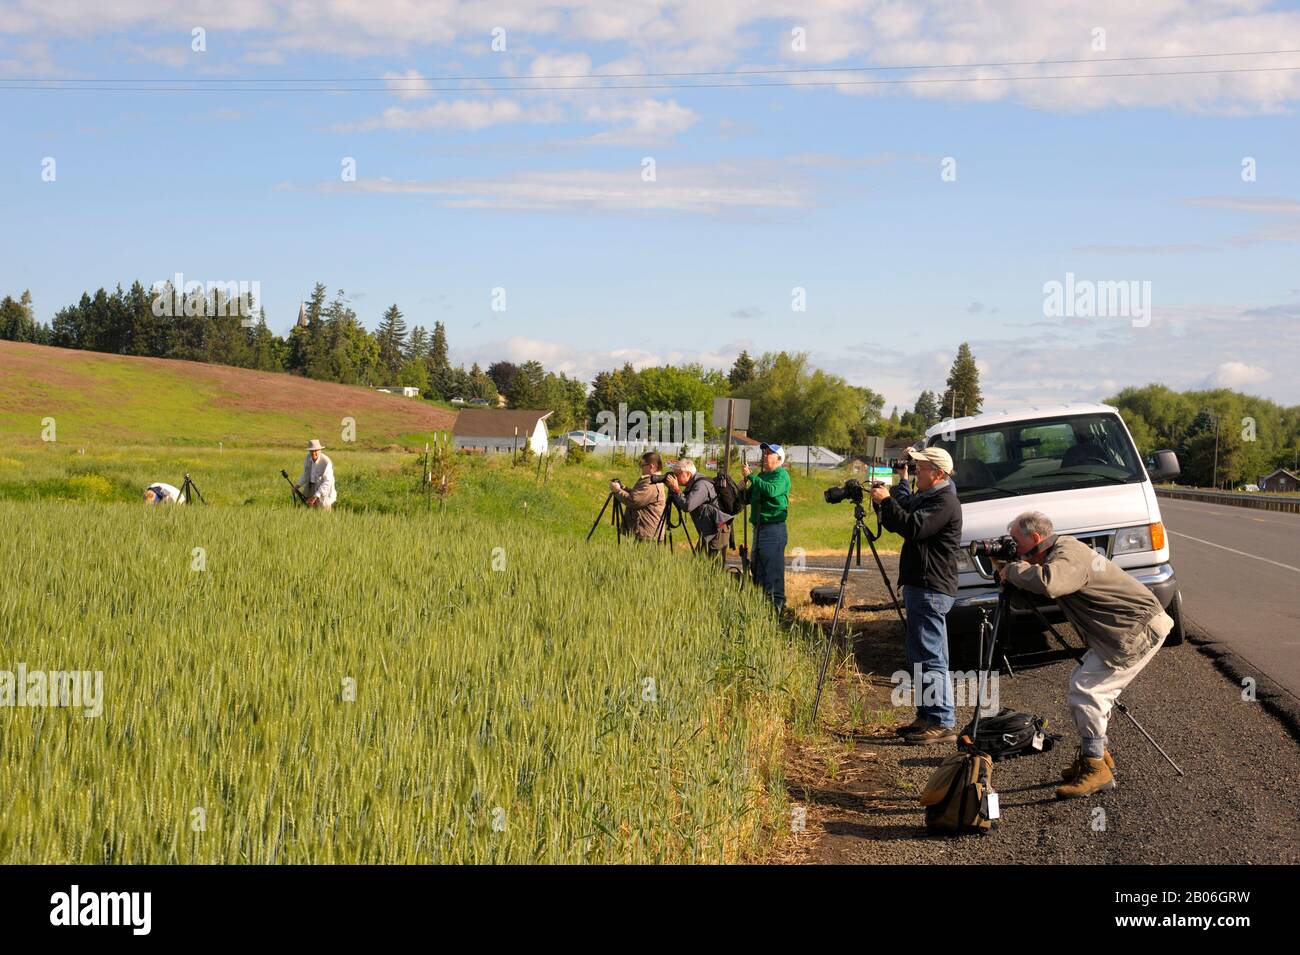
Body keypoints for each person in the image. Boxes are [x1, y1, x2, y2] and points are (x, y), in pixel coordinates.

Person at [997, 511, 1173, 799]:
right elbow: (1033, 596)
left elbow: (1050, 583)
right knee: (1085, 685)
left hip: (1136, 629)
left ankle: (1095, 769)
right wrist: (1007, 577)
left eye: (1015, 541)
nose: (1013, 548)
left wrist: (1013, 570)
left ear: (1036, 538)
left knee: (1087, 691)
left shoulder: (1068, 555)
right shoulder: (1054, 556)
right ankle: (1098, 757)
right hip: (1123, 630)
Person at [869, 447, 962, 745]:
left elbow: (912, 526)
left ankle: (942, 721)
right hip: (922, 587)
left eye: (920, 468)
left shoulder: (945, 501)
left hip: (931, 588)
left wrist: (887, 503)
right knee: (919, 656)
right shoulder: (931, 496)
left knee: (932, 656)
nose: (916, 471)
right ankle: (927, 716)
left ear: (937, 473)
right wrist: (892, 493)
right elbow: (906, 504)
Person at [741, 442, 790, 609]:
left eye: (769, 453)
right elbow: (746, 499)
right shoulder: (761, 476)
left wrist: (751, 478)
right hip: (759, 529)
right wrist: (741, 486)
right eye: (765, 452)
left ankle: (777, 607)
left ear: (779, 458)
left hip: (773, 529)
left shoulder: (781, 475)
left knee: (773, 571)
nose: (765, 455)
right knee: (758, 568)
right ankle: (762, 607)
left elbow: (771, 490)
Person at [664, 458, 731, 557]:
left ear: (687, 474)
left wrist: (677, 490)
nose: (676, 478)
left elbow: (687, 506)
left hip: (717, 530)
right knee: (700, 562)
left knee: (710, 565)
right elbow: (682, 505)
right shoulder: (693, 484)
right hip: (710, 531)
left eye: (678, 474)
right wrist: (674, 491)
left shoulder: (701, 485)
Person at [610, 451, 666, 542]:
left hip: (647, 535)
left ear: (651, 466)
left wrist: (618, 491)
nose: (641, 468)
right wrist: (623, 488)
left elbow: (634, 501)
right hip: (647, 532)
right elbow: (638, 495)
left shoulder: (651, 483)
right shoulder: (653, 480)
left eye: (643, 465)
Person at [296, 439, 337, 510]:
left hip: (324, 490)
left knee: (323, 511)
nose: (314, 453)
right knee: (307, 509)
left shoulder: (326, 462)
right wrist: (298, 485)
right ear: (309, 451)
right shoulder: (308, 458)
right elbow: (306, 474)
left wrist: (315, 496)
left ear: (320, 450)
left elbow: (327, 482)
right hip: (310, 487)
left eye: (316, 450)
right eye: (312, 451)